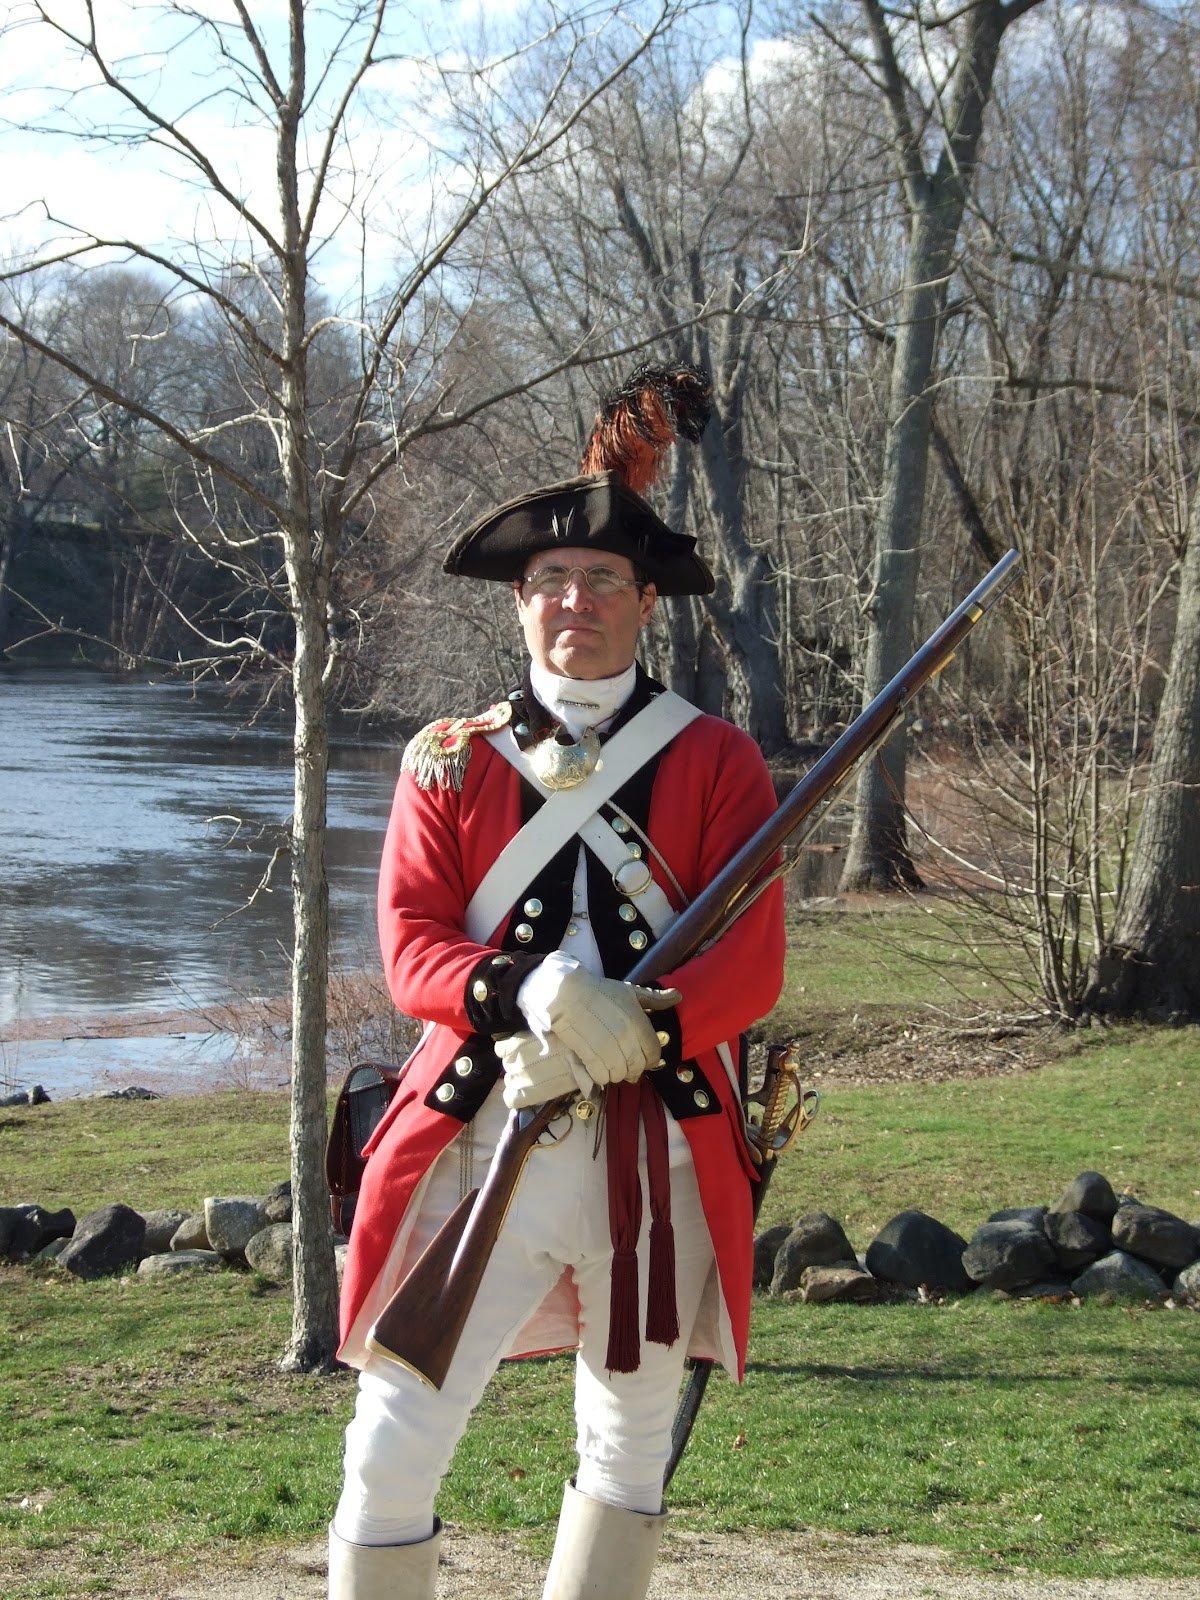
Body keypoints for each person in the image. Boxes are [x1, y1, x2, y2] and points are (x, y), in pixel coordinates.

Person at [330, 368, 786, 1600]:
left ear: (646, 602)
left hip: (659, 1149)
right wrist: (532, 994)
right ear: (520, 602)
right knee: (392, 1436)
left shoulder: (718, 761)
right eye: (551, 580)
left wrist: (638, 1029)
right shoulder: (449, 759)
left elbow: (751, 961)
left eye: (602, 580)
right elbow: (412, 947)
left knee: (630, 1447)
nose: (574, 600)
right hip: (488, 1127)